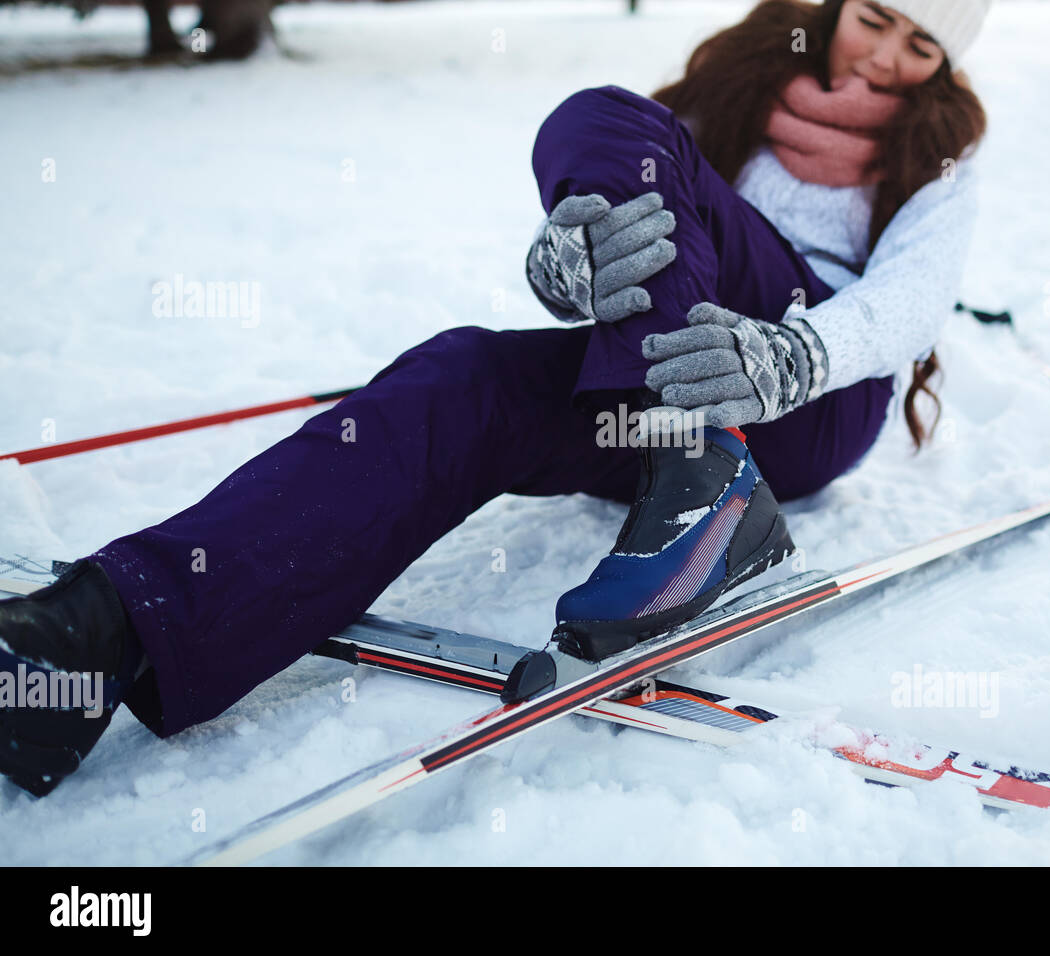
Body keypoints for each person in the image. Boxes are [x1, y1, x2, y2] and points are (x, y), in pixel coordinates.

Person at [0, 0, 991, 797]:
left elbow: (911, 298)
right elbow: (648, 211)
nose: (887, 56)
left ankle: (708, 475)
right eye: (876, 17)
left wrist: (797, 352)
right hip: (668, 378)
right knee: (471, 360)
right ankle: (102, 631)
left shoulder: (941, 149)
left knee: (639, 146)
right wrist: (577, 263)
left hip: (807, 393)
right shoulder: (737, 83)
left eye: (920, 46)